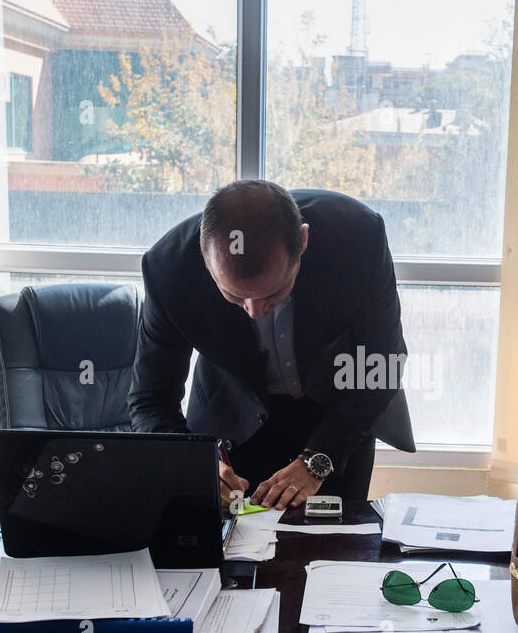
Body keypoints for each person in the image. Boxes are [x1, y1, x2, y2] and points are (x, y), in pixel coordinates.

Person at [129, 180, 415, 508]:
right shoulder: (169, 270)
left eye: (272, 295)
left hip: (338, 416)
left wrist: (318, 460)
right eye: (235, 297)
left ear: (303, 243)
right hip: (233, 423)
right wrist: (193, 461)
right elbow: (150, 399)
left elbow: (382, 365)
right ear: (205, 260)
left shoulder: (357, 238)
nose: (254, 312)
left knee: (337, 549)